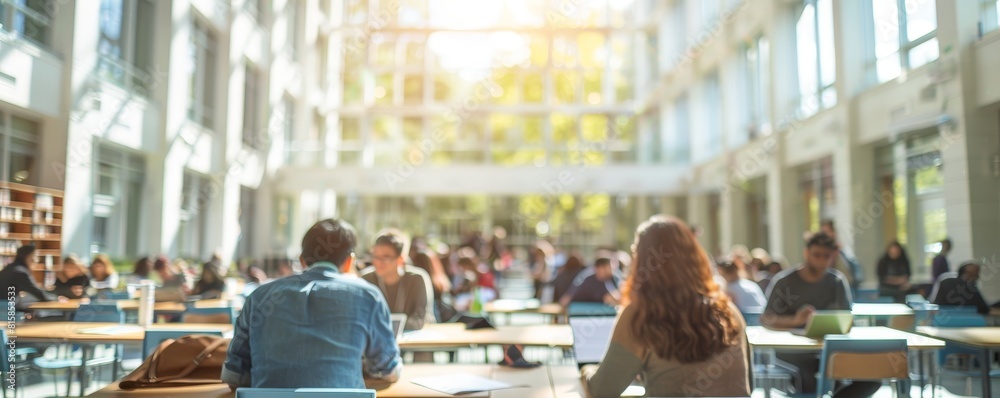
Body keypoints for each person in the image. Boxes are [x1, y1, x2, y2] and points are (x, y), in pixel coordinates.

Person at [581, 215, 750, 397]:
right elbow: (747, 384)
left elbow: (601, 391)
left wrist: (586, 371)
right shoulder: (729, 311)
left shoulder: (640, 313)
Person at [223, 218, 401, 389]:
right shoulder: (368, 296)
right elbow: (388, 370)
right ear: (349, 262)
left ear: (302, 260)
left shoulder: (259, 297)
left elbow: (234, 375)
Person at [763, 232, 879, 397]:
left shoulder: (836, 281)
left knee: (873, 376)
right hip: (793, 353)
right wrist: (795, 320)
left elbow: (847, 318)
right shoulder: (785, 281)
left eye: (826, 256)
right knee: (808, 380)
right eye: (816, 255)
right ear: (806, 253)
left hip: (832, 350)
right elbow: (766, 318)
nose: (821, 261)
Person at [361, 230, 429, 330]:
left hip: (410, 339)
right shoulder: (366, 279)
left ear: (401, 259)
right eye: (375, 256)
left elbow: (419, 318)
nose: (378, 262)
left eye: (385, 258)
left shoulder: (416, 278)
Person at [0, 245, 63, 310]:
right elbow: (35, 291)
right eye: (34, 256)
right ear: (27, 256)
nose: (36, 260)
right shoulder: (19, 272)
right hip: (5, 307)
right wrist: (55, 298)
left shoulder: (11, 268)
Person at [820, 220, 864, 292]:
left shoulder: (841, 250)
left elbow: (847, 271)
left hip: (844, 286)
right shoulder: (822, 251)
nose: (825, 236)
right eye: (823, 233)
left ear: (833, 232)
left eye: (826, 232)